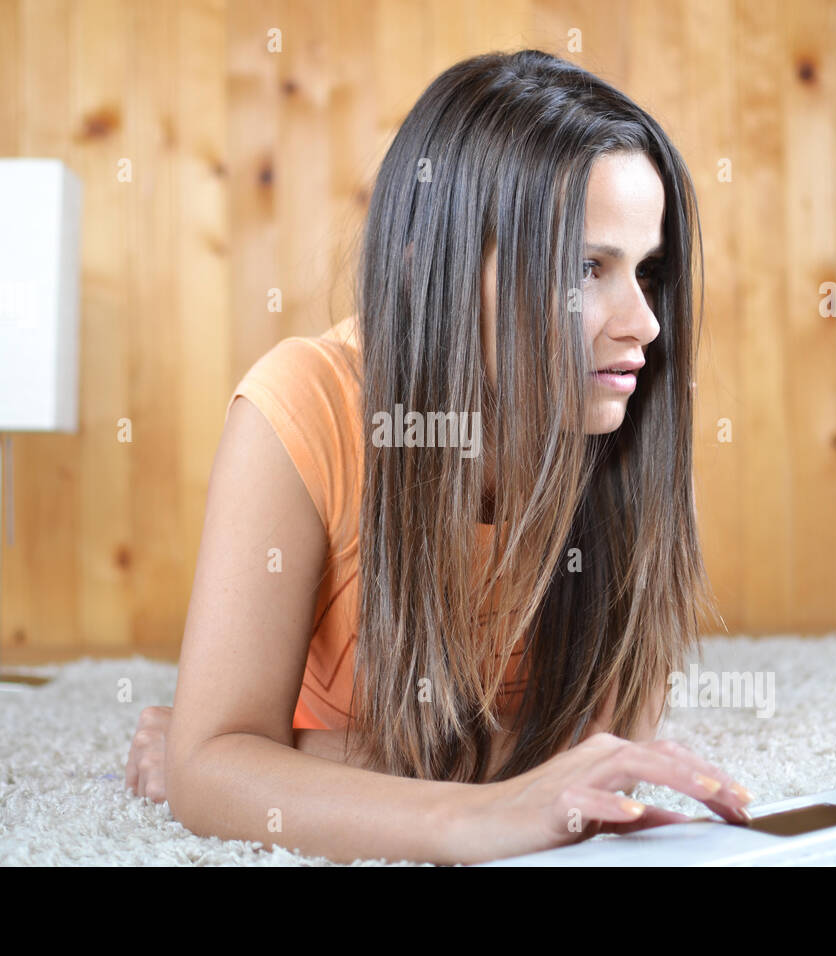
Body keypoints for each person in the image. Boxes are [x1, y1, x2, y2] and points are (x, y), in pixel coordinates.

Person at [125, 48, 752, 865]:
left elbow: (607, 756)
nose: (644, 323)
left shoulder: (624, 418)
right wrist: (469, 820)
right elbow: (213, 773)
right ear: (437, 266)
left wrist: (298, 757)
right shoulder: (305, 406)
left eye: (650, 270)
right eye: (584, 267)